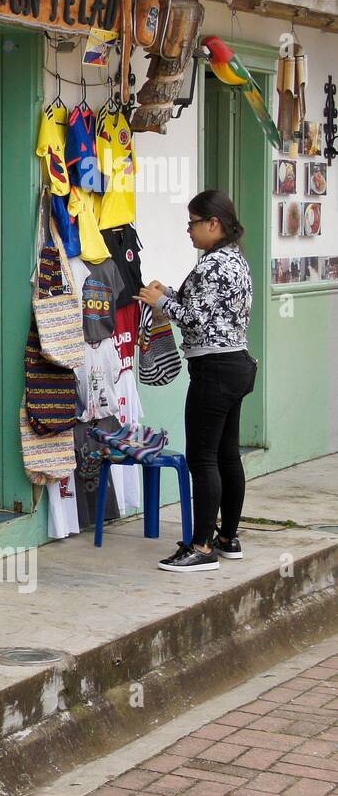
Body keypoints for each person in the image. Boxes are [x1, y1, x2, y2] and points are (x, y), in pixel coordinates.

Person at [138, 190, 256, 573]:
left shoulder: (211, 266)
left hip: (214, 369)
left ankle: (202, 546)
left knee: (202, 458)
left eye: (192, 223)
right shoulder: (234, 260)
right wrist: (168, 293)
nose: (188, 230)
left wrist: (159, 303)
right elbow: (204, 307)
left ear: (213, 224)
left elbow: (194, 320)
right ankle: (227, 538)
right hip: (236, 365)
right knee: (226, 455)